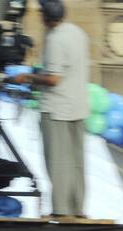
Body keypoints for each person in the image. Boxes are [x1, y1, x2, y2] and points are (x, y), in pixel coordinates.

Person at [14, 1, 90, 218]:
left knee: (58, 162)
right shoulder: (77, 32)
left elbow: (54, 79)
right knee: (76, 162)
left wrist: (27, 77)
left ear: (45, 16)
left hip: (57, 108)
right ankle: (77, 207)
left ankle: (60, 210)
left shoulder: (55, 39)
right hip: (77, 106)